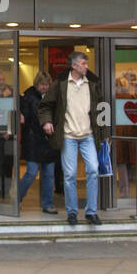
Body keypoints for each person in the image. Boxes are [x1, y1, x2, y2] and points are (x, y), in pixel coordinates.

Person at [38, 51, 108, 226]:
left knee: (93, 169)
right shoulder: (60, 84)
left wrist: (104, 133)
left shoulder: (92, 83)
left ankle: (91, 212)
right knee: (69, 175)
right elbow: (45, 105)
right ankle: (72, 213)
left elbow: (101, 108)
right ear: (74, 65)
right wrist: (46, 122)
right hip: (68, 135)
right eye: (84, 63)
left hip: (88, 135)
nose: (86, 66)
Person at [17, 72, 57, 213]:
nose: (44, 87)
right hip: (33, 140)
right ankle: (18, 197)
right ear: (36, 84)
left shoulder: (53, 97)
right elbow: (25, 116)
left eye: (46, 85)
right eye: (42, 85)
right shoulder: (28, 97)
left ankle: (47, 204)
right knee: (32, 172)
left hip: (48, 140)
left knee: (49, 175)